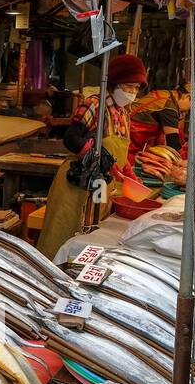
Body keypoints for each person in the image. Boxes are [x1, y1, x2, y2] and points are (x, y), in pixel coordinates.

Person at [35, 53, 145, 259]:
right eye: (128, 86)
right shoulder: (96, 103)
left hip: (100, 184)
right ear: (114, 83)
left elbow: (119, 150)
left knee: (93, 230)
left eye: (136, 88)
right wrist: (96, 156)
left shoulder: (123, 112)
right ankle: (46, 274)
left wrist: (127, 170)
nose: (132, 92)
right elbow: (71, 137)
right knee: (61, 233)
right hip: (76, 182)